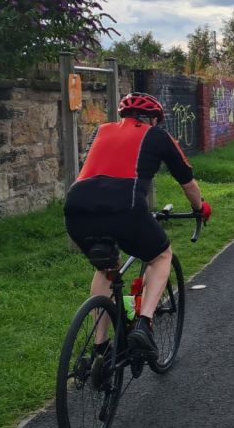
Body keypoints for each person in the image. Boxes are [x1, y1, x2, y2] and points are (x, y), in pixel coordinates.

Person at [64, 93, 211, 359]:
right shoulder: (158, 136)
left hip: (76, 208)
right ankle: (143, 323)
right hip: (125, 208)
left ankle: (100, 346)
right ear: (154, 119)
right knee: (161, 255)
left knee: (107, 268)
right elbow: (187, 182)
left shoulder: (101, 131)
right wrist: (200, 208)